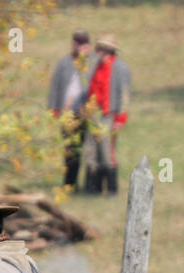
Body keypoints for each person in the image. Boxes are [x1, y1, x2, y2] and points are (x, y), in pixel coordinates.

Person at [81, 34, 130, 195]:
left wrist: (120, 118)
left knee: (107, 151)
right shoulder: (95, 66)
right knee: (90, 149)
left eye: (101, 48)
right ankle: (91, 188)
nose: (97, 51)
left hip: (108, 113)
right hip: (93, 113)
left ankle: (111, 189)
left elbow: (124, 96)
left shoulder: (120, 68)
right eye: (98, 48)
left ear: (109, 50)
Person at [47, 30, 91, 189]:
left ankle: (86, 184)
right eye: (77, 42)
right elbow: (55, 88)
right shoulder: (64, 63)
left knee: (84, 149)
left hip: (86, 113)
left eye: (83, 43)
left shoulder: (91, 63)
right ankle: (69, 183)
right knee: (69, 150)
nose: (79, 46)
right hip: (67, 113)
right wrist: (53, 109)